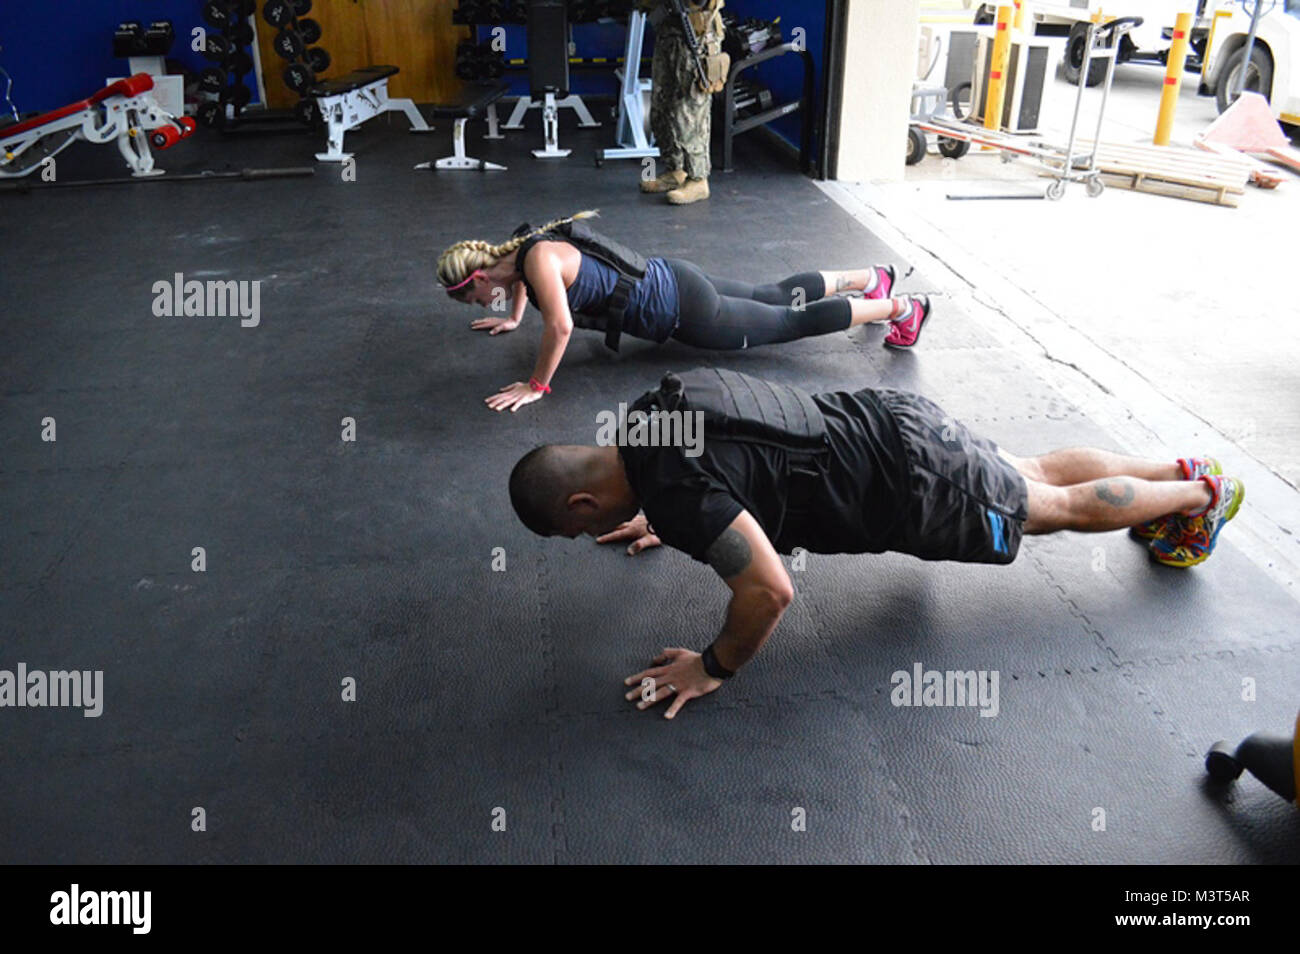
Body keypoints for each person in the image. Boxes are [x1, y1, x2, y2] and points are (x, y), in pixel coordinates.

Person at [507, 368, 1245, 719]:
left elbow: (768, 590)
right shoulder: (645, 418)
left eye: (578, 527)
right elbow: (720, 455)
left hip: (911, 483)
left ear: (582, 501)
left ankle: (1199, 495)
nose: (586, 535)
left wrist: (711, 667)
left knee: (1046, 505)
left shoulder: (677, 493)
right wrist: (661, 513)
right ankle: (1177, 474)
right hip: (891, 420)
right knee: (1034, 472)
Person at [437, 211, 932, 412]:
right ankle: (871, 278)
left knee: (788, 321)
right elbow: (525, 282)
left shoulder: (536, 261)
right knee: (775, 293)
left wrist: (537, 385)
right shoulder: (524, 250)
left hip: (685, 312)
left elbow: (562, 325)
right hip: (675, 275)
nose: (483, 304)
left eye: (477, 300)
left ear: (480, 278)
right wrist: (514, 318)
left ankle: (900, 307)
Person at [638, 0, 729, 206]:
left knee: (689, 112)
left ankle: (698, 179)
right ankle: (675, 170)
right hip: (669, 30)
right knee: (662, 106)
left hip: (697, 31)